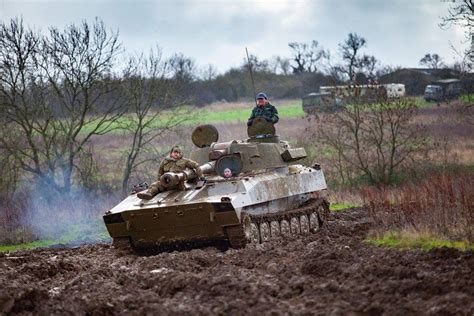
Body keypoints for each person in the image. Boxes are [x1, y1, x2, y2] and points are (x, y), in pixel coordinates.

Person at [137, 146, 203, 200]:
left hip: (178, 182)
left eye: (178, 152)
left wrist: (201, 176)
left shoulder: (184, 161)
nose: (176, 154)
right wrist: (160, 180)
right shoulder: (165, 161)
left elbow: (196, 165)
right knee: (155, 185)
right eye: (175, 152)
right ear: (171, 153)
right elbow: (160, 171)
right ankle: (149, 194)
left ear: (180, 154)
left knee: (180, 191)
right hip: (166, 181)